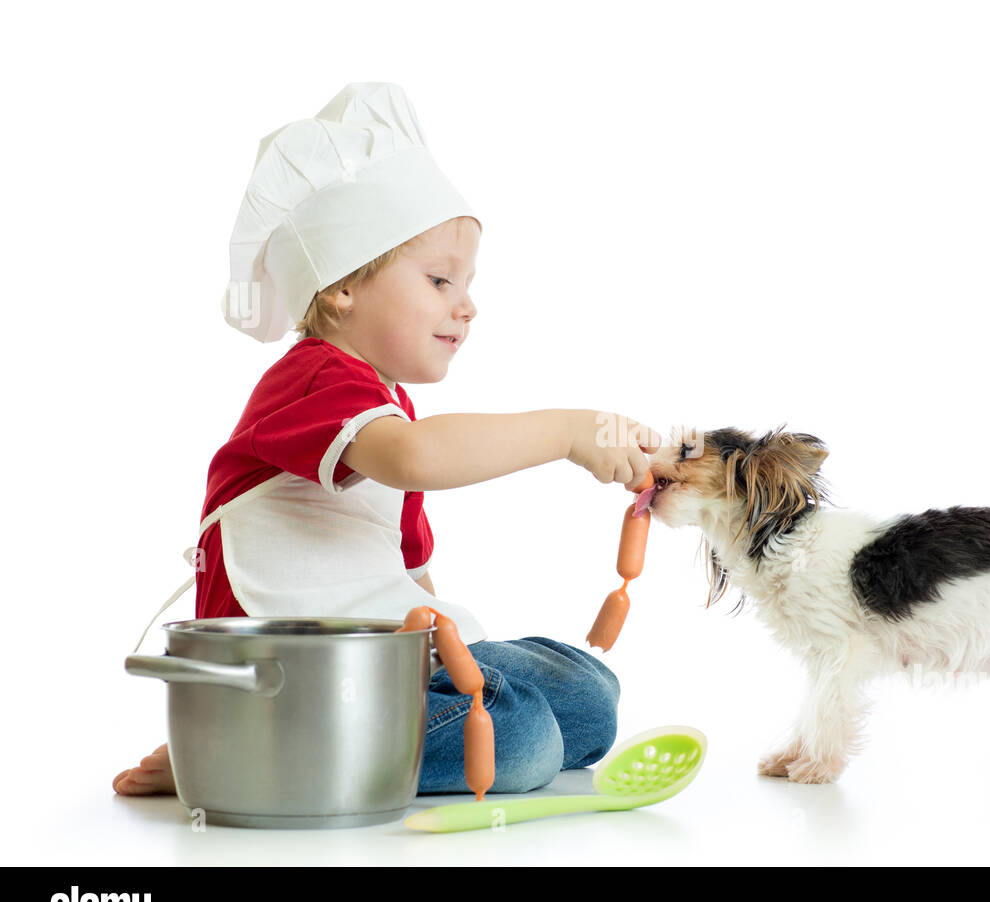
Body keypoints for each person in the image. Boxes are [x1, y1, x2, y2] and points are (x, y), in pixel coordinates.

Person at [113, 82, 659, 799]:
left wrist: (457, 663)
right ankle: (239, 749)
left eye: (467, 284)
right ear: (341, 286)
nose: (467, 306)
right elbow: (415, 456)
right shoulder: (314, 380)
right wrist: (567, 431)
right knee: (522, 737)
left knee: (589, 699)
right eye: (439, 280)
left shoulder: (386, 408)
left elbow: (411, 571)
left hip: (378, 669)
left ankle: (340, 743)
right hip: (291, 689)